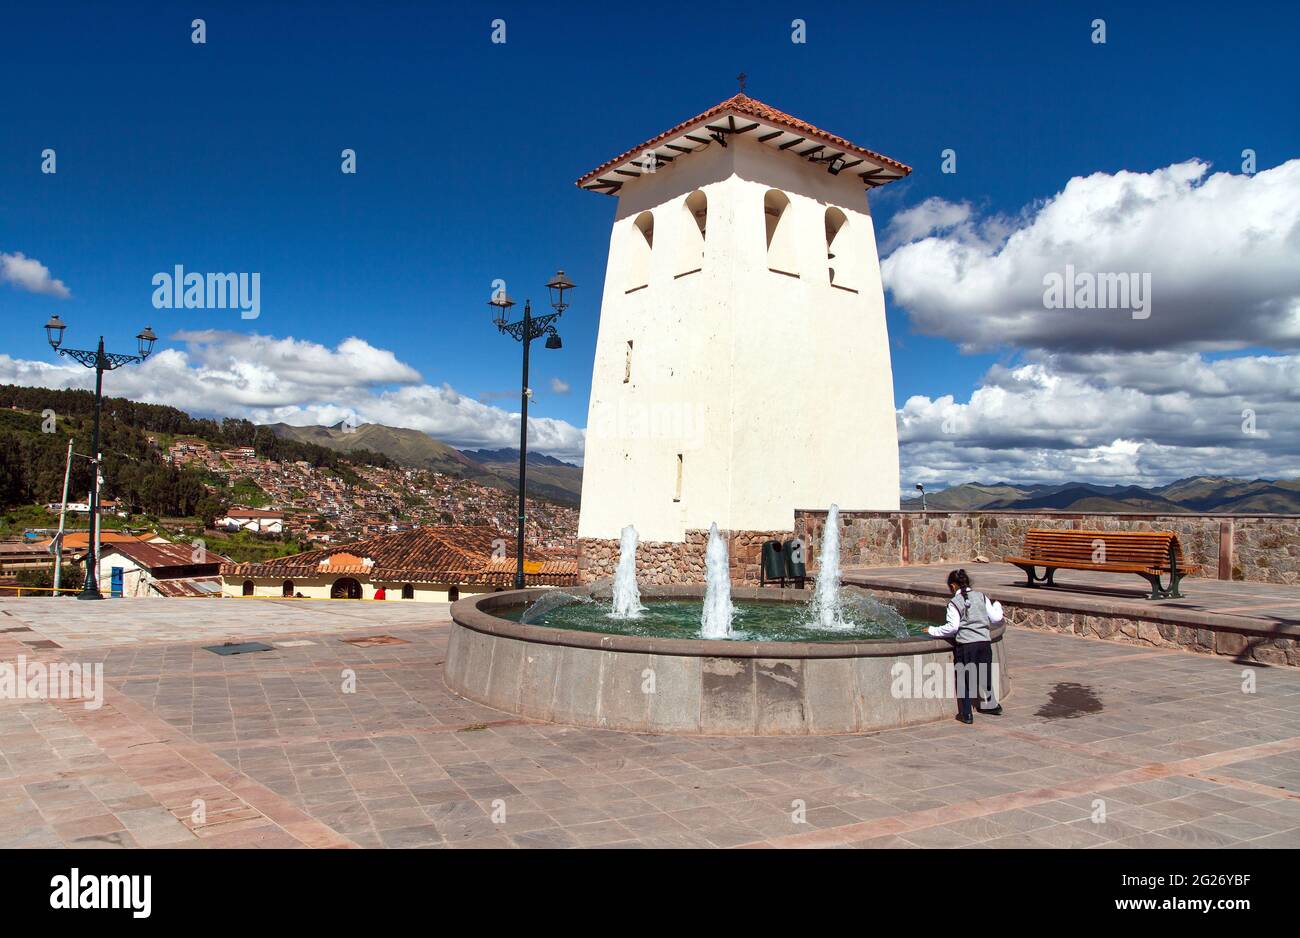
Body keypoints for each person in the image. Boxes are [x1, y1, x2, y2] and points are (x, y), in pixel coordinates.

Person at [923, 569, 1003, 724]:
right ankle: (992, 705)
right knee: (984, 675)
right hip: (984, 643)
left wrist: (932, 630)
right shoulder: (982, 596)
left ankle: (966, 714)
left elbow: (952, 627)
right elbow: (995, 618)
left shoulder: (954, 603)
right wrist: (998, 605)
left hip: (967, 645)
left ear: (953, 586)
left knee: (964, 679)